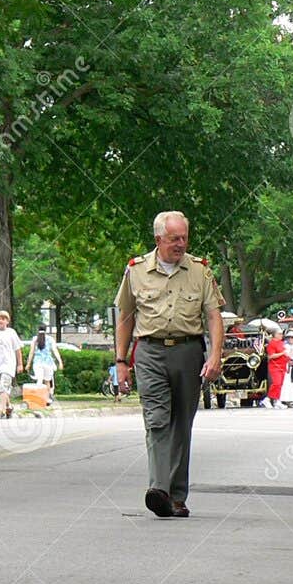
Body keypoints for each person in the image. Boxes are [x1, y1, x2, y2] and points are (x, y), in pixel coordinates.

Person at [113, 210, 223, 519]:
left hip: (188, 352)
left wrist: (214, 355)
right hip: (149, 351)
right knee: (157, 419)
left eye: (185, 238)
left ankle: (176, 496)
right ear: (158, 239)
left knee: (181, 424)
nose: (181, 244)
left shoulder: (200, 270)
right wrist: (121, 361)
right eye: (174, 238)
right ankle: (159, 489)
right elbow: (125, 317)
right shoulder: (135, 270)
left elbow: (213, 315)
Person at [26, 326, 63, 404]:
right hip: (48, 363)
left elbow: (31, 353)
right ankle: (47, 398)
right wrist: (60, 362)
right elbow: (55, 351)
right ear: (46, 330)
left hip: (38, 362)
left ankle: (37, 398)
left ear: (38, 330)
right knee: (47, 382)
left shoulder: (35, 339)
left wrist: (28, 364)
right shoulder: (50, 339)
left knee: (39, 381)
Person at [264, 327, 289, 407]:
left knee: (280, 384)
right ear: (274, 335)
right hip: (275, 366)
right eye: (279, 334)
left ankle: (277, 400)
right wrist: (282, 353)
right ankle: (267, 399)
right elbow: (271, 356)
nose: (281, 335)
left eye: (282, 333)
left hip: (282, 366)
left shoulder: (281, 343)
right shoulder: (272, 344)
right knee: (276, 383)